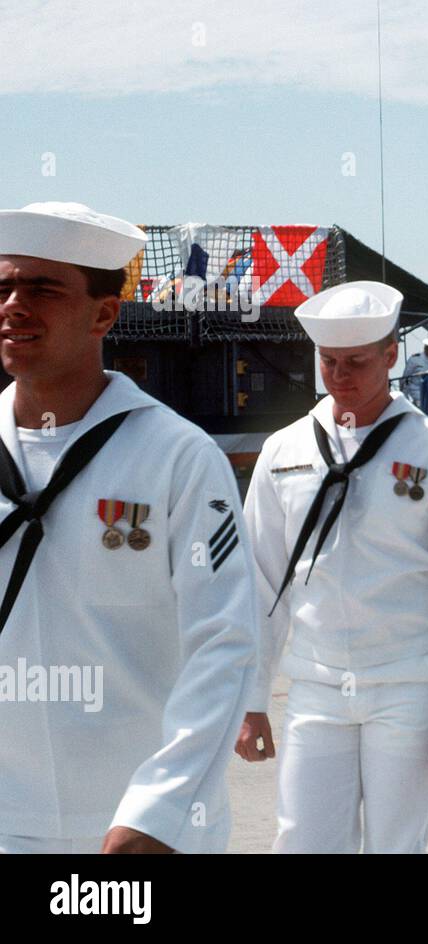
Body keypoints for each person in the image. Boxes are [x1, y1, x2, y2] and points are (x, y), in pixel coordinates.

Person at [0, 201, 257, 853]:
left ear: (105, 313)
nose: (13, 305)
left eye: (42, 289)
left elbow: (223, 641)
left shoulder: (176, 457)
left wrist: (161, 810)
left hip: (139, 831)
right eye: (3, 287)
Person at [238, 281, 428, 853]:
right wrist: (252, 698)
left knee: (396, 844)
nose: (340, 375)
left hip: (408, 682)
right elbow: (260, 585)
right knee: (303, 840)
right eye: (328, 361)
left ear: (390, 356)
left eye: (356, 361)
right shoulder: (284, 452)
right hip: (315, 684)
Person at [401, 336, 428, 403]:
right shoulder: (415, 359)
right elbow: (405, 378)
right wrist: (405, 397)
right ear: (425, 349)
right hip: (417, 390)